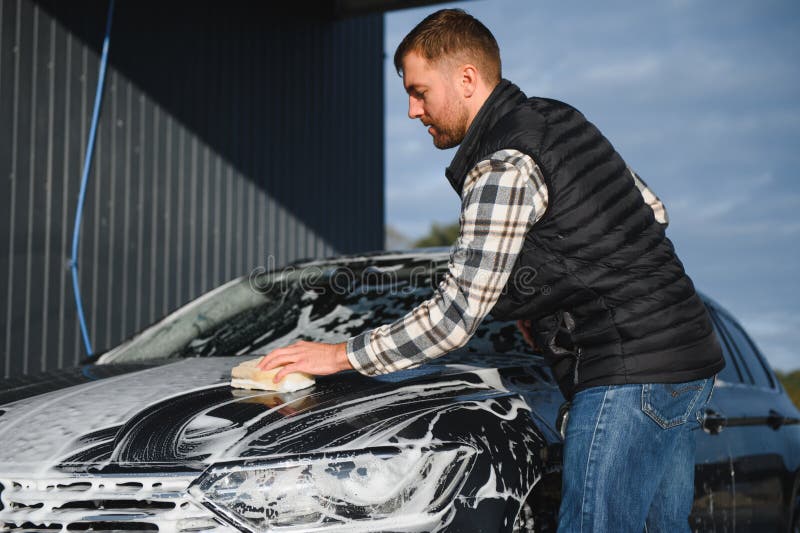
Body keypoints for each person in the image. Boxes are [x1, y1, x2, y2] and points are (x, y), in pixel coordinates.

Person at [258, 8, 725, 532]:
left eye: (419, 91)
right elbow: (652, 210)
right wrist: (550, 298)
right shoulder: (558, 118)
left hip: (628, 371)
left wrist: (339, 354)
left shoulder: (503, 163)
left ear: (466, 79)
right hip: (689, 354)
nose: (413, 110)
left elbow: (452, 319)